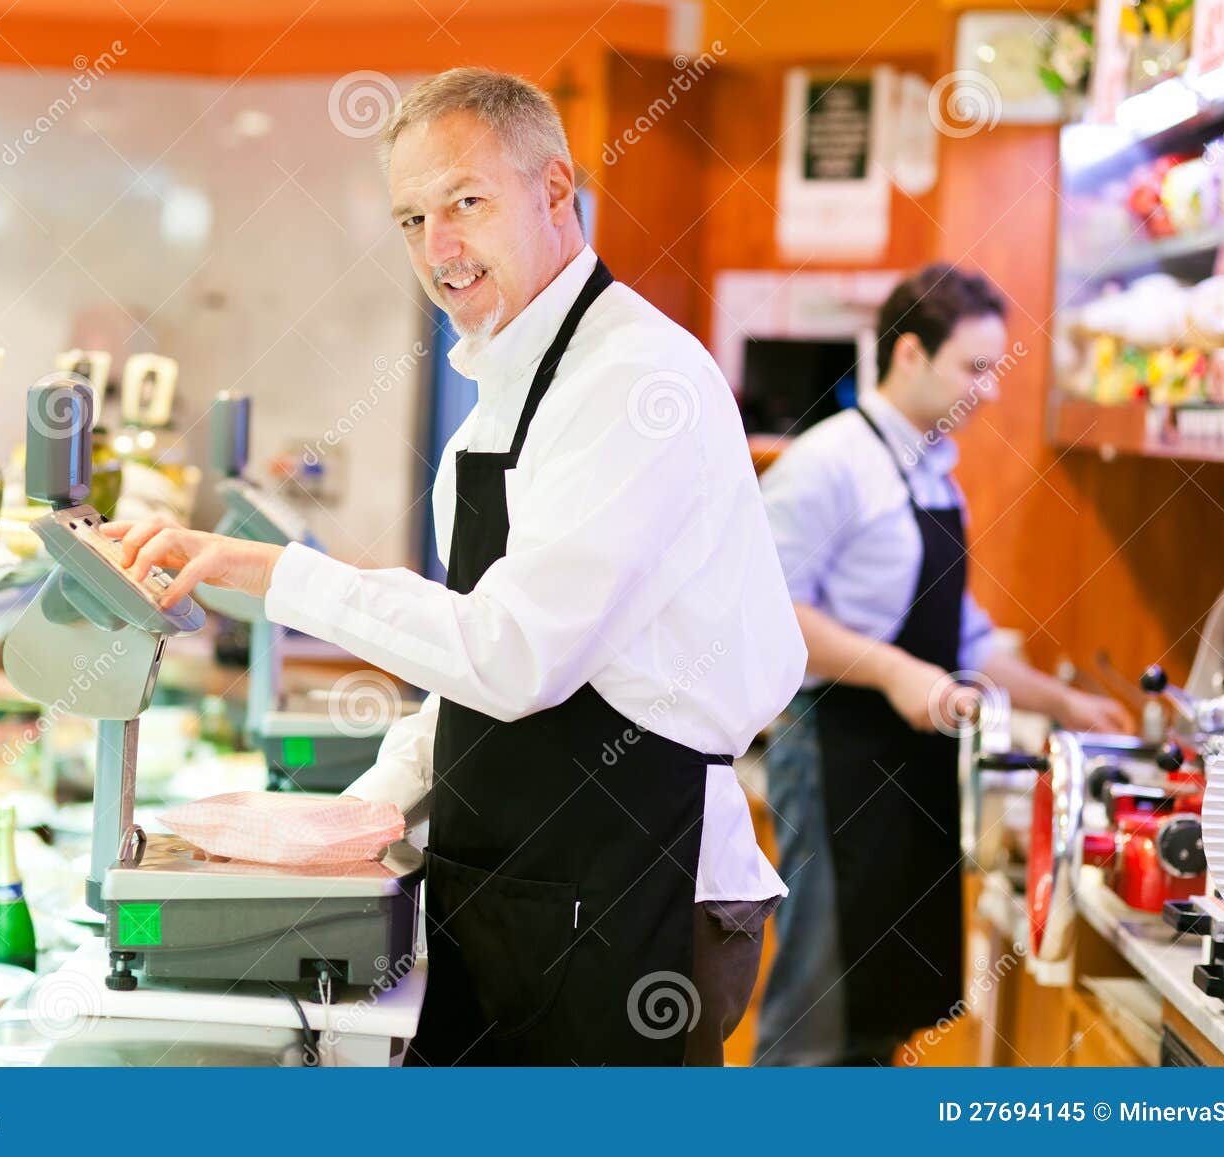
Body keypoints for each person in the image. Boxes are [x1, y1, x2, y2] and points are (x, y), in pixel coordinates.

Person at [102, 68, 806, 1066]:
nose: (438, 248)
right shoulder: (507, 384)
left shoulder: (634, 382)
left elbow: (516, 656)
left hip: (631, 887)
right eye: (410, 218)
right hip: (517, 883)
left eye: (466, 202)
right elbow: (473, 667)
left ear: (555, 191)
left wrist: (283, 574)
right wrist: (366, 811)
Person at [752, 264, 1132, 1067]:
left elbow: (959, 636)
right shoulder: (828, 463)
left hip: (911, 765)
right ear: (912, 354)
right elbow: (768, 612)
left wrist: (1064, 702)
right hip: (834, 755)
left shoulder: (933, 467)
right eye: (976, 367)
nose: (991, 388)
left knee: (885, 995)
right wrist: (894, 673)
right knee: (821, 1004)